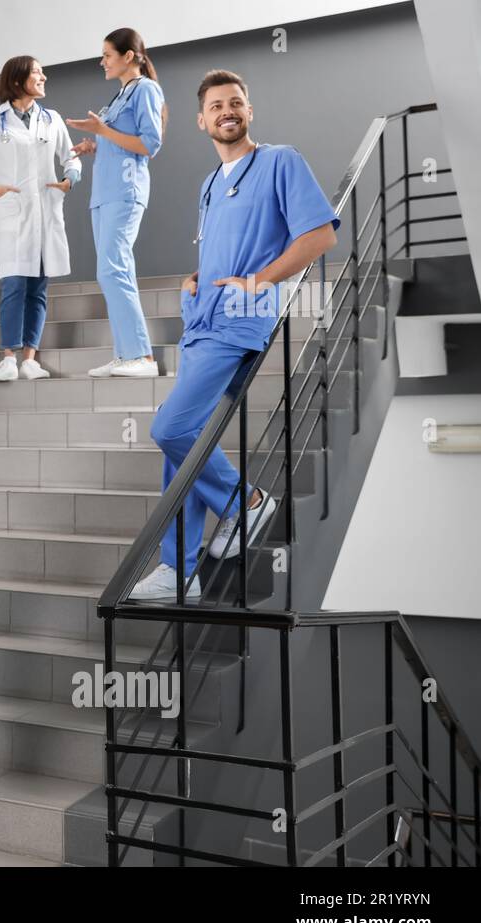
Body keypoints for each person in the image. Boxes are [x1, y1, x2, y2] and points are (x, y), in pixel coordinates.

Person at [132, 70, 338, 600]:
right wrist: (194, 279)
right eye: (216, 105)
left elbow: (319, 234)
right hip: (203, 318)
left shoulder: (280, 161)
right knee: (186, 442)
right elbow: (223, 246)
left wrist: (260, 280)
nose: (227, 110)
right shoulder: (208, 184)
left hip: (239, 319)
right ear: (202, 121)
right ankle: (178, 571)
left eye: (236, 103)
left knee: (170, 429)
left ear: (249, 111)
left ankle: (245, 503)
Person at [0, 55, 82, 383]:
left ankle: (30, 359)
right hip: (12, 214)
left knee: (38, 287)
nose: (43, 77)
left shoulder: (52, 119)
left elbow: (71, 158)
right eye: (36, 72)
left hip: (45, 213)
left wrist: (70, 178)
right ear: (17, 80)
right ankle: (8, 357)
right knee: (14, 284)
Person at [66, 27, 167, 378]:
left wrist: (103, 132)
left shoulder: (146, 90)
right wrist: (94, 144)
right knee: (108, 272)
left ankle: (142, 356)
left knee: (114, 269)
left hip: (126, 192)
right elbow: (121, 141)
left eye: (107, 55)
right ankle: (125, 353)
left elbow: (149, 144)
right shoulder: (120, 94)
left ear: (128, 56)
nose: (102, 61)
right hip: (104, 195)